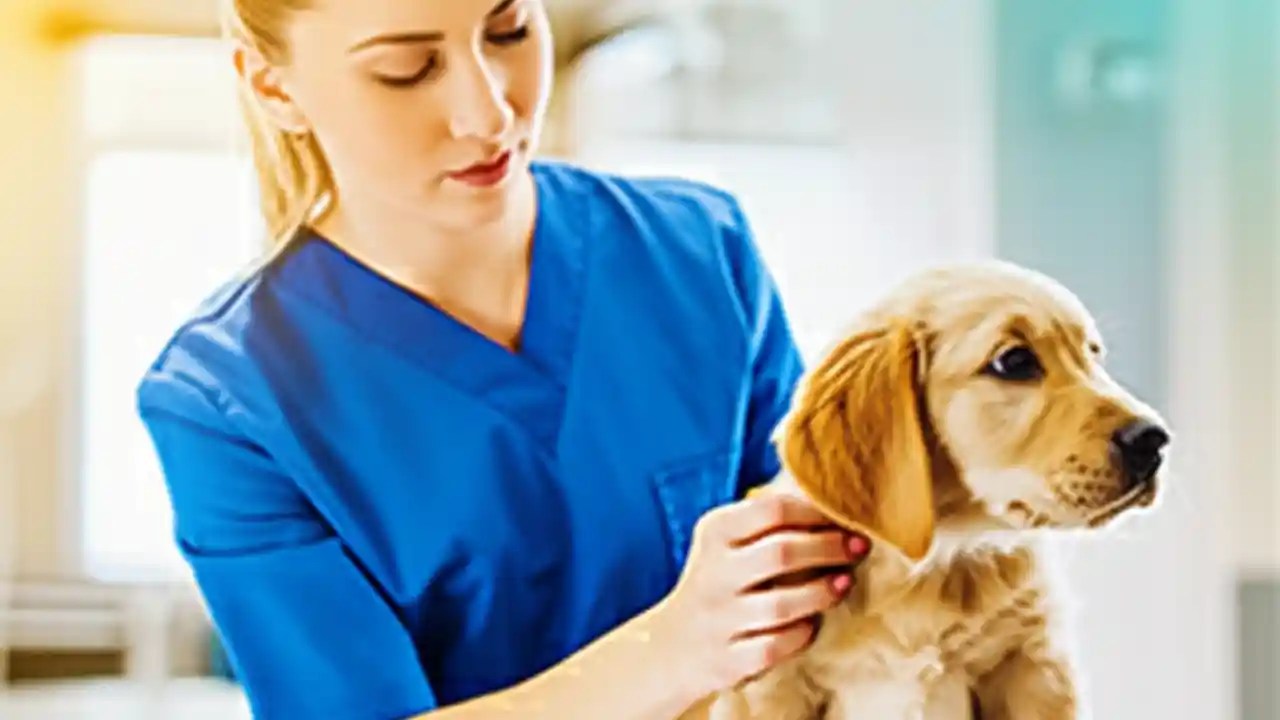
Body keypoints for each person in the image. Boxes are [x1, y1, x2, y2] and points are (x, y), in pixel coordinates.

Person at [136, 0, 871, 718]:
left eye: (509, 31)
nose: (489, 114)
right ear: (274, 87)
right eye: (407, 68)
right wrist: (672, 650)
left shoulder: (699, 251)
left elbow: (834, 571)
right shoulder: (228, 399)